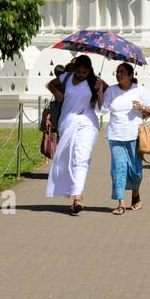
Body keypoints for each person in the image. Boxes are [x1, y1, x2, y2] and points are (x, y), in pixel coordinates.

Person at [45, 54, 105, 213]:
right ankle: (73, 193)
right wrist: (57, 93)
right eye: (79, 72)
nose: (81, 75)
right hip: (67, 121)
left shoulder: (95, 81)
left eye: (85, 72)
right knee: (69, 158)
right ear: (74, 68)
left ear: (89, 70)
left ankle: (78, 197)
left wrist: (99, 91)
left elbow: (101, 105)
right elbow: (52, 87)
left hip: (87, 122)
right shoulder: (66, 77)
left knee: (82, 156)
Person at [100, 62, 150, 215]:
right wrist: (99, 92)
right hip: (115, 135)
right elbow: (102, 110)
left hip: (134, 135)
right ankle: (120, 203)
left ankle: (135, 192)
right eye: (117, 72)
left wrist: (142, 108)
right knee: (118, 169)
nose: (118, 75)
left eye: (122, 72)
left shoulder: (139, 90)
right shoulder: (111, 90)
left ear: (130, 75)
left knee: (135, 171)